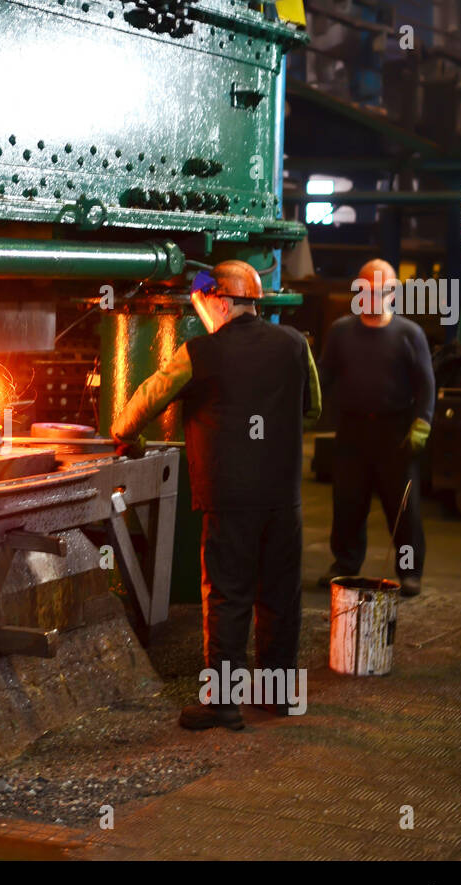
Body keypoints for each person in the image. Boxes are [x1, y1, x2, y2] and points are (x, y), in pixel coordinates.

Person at [113, 261, 322, 731]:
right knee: (279, 595)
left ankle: (223, 704)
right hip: (282, 496)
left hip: (229, 497)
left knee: (227, 596)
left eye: (202, 305)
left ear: (221, 301)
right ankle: (276, 697)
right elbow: (315, 406)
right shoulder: (295, 344)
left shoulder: (200, 351)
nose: (202, 315)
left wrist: (128, 437)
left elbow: (142, 404)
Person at [317, 258, 434, 597]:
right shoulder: (340, 332)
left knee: (404, 511)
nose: (372, 296)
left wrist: (422, 422)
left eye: (380, 290)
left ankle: (410, 572)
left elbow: (426, 384)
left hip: (395, 435)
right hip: (352, 433)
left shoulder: (409, 334)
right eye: (366, 289)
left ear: (393, 292)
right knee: (348, 503)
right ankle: (345, 565)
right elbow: (323, 377)